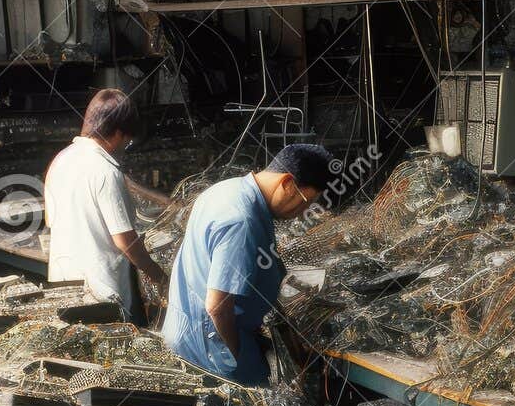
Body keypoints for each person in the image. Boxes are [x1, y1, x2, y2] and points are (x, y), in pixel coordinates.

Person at [163, 144, 331, 385]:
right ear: (286, 183)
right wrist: (237, 356)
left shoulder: (226, 190)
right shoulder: (242, 220)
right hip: (212, 349)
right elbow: (217, 306)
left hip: (188, 332)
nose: (303, 211)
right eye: (307, 200)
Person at [43, 89, 168, 320]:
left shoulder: (60, 159)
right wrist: (158, 274)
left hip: (63, 283)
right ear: (119, 133)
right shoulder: (106, 171)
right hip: (101, 293)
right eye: (128, 140)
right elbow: (125, 241)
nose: (126, 145)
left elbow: (51, 220)